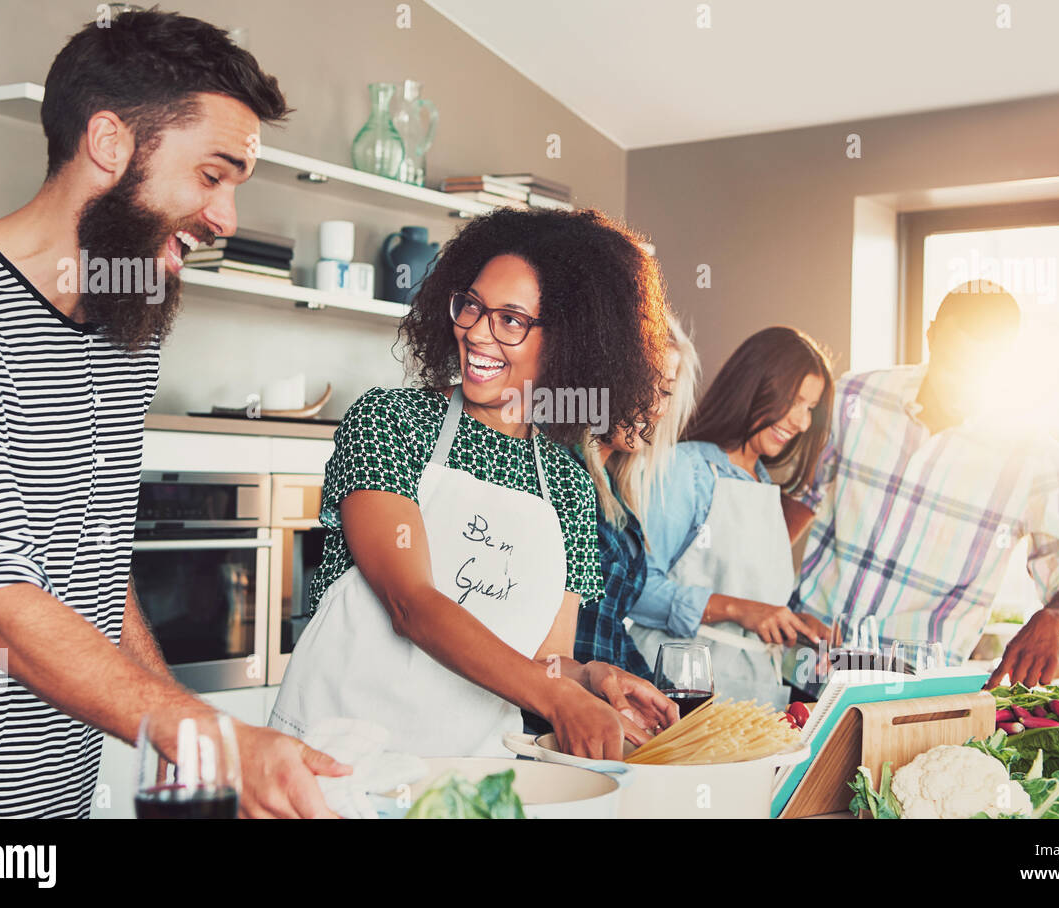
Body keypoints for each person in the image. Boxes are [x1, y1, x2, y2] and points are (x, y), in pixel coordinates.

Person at [0, 10, 347, 818]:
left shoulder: (125, 323)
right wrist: (215, 738)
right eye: (212, 176)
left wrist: (190, 751)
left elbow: (94, 569)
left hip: (61, 798)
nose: (226, 220)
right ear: (109, 144)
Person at [269, 208, 679, 760]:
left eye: (511, 320)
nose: (477, 333)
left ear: (566, 340)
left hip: (469, 774)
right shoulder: (391, 422)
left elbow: (542, 662)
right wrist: (557, 701)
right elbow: (409, 602)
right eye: (472, 306)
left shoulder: (569, 486)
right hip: (334, 758)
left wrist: (589, 677)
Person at [786, 281, 1059, 691]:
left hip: (915, 694)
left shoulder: (1033, 456)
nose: (963, 386)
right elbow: (796, 505)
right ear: (932, 335)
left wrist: (1054, 618)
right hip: (807, 669)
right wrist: (758, 603)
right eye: (955, 364)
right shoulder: (855, 396)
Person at [628, 327, 836, 708]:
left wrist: (792, 620)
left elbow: (753, 596)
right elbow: (635, 590)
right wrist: (739, 610)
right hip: (679, 693)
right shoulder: (687, 469)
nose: (802, 422)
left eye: (810, 408)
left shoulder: (764, 484)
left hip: (753, 693)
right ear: (753, 386)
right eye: (795, 401)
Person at [573, 313, 700, 679]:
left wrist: (657, 696)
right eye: (643, 382)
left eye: (665, 391)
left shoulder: (617, 495)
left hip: (600, 708)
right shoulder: (562, 473)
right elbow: (573, 647)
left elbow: (609, 632)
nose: (653, 406)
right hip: (554, 716)